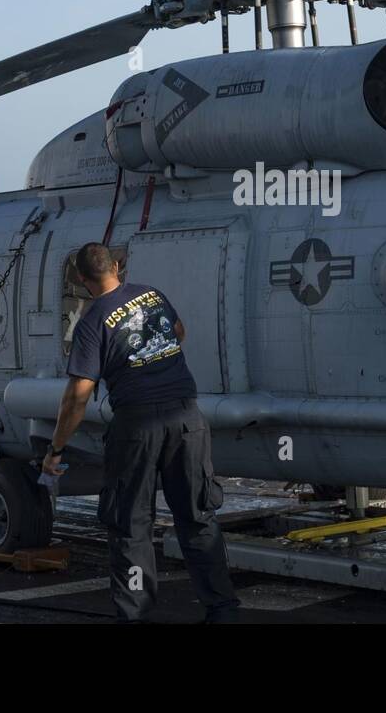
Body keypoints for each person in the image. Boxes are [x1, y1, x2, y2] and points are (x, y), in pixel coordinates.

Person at [43, 243, 240, 623]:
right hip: (188, 419)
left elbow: (76, 399)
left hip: (136, 426)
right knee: (197, 517)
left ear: (83, 281)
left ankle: (136, 614)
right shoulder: (152, 295)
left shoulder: (90, 322)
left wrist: (56, 449)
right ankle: (223, 610)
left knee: (130, 525)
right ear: (117, 267)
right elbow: (178, 332)